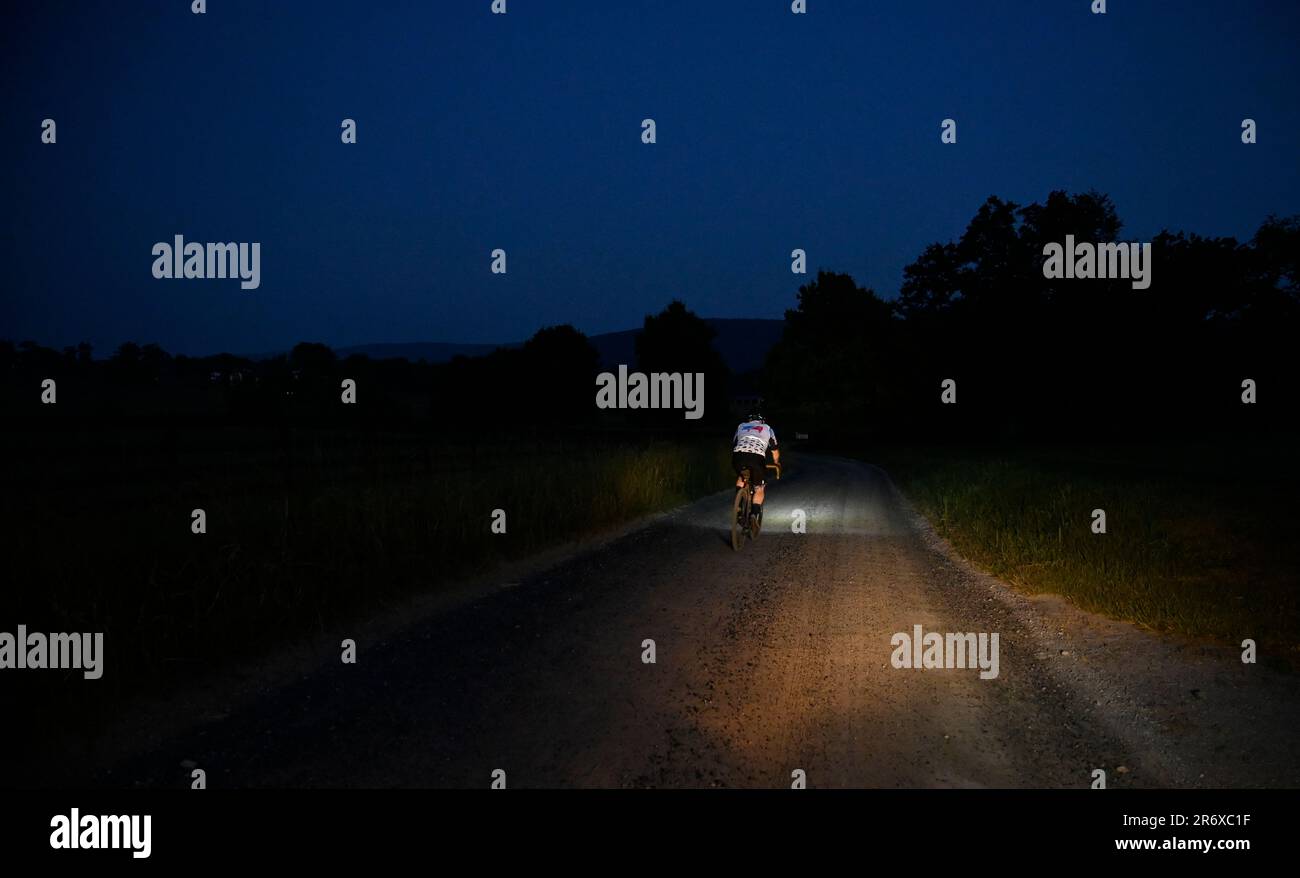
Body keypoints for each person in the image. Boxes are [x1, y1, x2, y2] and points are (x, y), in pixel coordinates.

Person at [732, 413, 779, 524]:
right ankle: (754, 514)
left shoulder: (741, 426)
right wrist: (776, 463)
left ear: (749, 421)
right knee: (759, 487)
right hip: (756, 458)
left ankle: (738, 505)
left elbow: (734, 443)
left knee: (741, 476)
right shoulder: (768, 428)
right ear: (762, 421)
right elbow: (775, 450)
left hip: (738, 455)